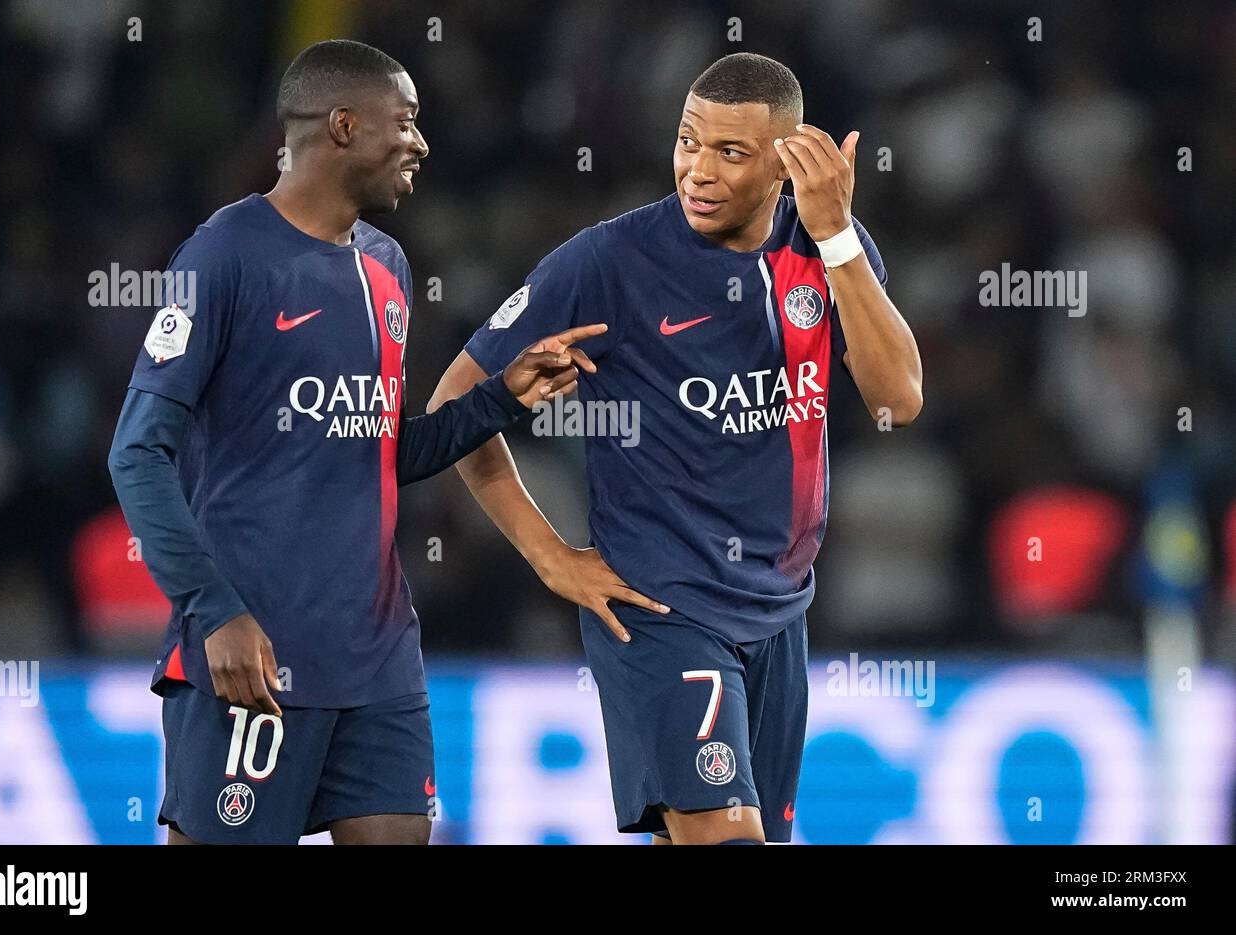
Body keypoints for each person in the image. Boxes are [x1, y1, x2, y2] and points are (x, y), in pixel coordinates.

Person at [108, 39, 600, 845]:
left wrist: (501, 398)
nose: (421, 143)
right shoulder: (224, 255)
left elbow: (380, 450)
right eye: (404, 123)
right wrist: (214, 610)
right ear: (343, 126)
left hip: (377, 660)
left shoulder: (388, 266)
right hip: (251, 647)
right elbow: (136, 450)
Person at [430, 52, 921, 844]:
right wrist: (550, 555)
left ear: (787, 160)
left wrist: (836, 238)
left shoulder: (823, 246)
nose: (697, 169)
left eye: (730, 152)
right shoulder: (610, 261)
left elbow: (898, 397)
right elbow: (455, 398)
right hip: (661, 608)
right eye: (688, 141)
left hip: (779, 613)